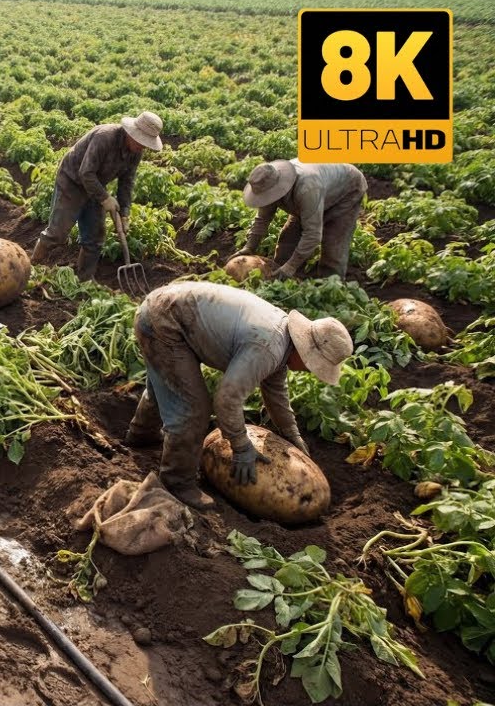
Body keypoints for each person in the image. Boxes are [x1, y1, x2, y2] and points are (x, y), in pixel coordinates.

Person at [123, 282, 353, 510]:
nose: (310, 371)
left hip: (163, 308)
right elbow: (226, 400)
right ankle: (177, 482)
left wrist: (292, 434)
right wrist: (241, 447)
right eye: (313, 366)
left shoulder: (282, 341)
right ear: (305, 353)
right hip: (164, 323)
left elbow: (276, 395)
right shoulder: (267, 347)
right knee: (194, 409)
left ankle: (141, 435)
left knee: (167, 387)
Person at [29, 112, 164, 280]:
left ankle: (84, 279)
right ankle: (33, 267)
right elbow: (86, 173)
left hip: (97, 186)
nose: (142, 147)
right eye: (141, 142)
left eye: (145, 144)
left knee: (95, 239)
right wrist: (105, 198)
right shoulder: (105, 138)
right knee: (57, 233)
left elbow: (126, 183)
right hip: (72, 182)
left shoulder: (135, 152)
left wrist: (125, 214)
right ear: (131, 133)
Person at [232, 160, 368, 280]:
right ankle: (279, 275)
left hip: (347, 190)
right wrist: (249, 247)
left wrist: (291, 266)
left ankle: (331, 285)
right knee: (288, 238)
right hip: (317, 191)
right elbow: (262, 220)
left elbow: (312, 234)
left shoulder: (306, 189)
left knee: (333, 242)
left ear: (279, 189)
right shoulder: (268, 186)